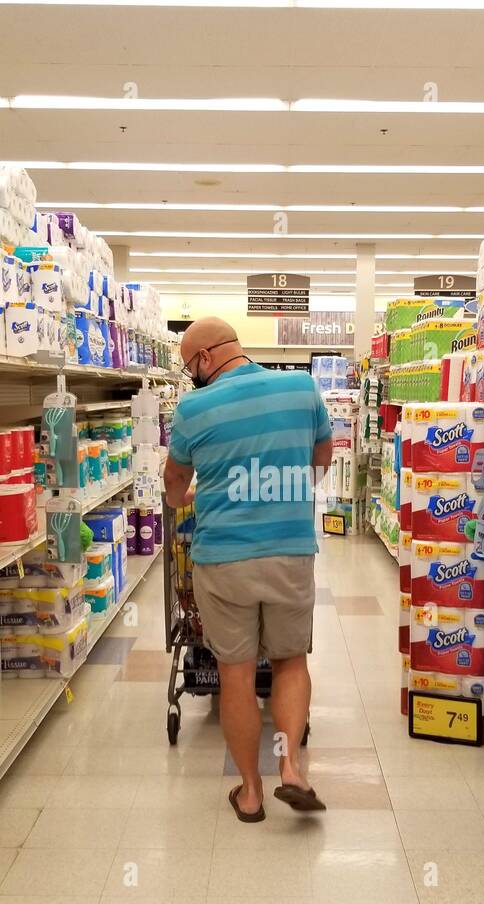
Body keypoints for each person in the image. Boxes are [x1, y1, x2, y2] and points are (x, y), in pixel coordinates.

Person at [163, 316, 333, 822]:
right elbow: (322, 456)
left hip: (224, 561)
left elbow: (174, 484)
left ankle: (251, 793)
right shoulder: (302, 388)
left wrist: (191, 494)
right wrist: (287, 489)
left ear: (206, 358)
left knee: (235, 675)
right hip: (290, 552)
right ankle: (291, 767)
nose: (191, 376)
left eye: (190, 365)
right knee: (289, 662)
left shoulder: (194, 407)